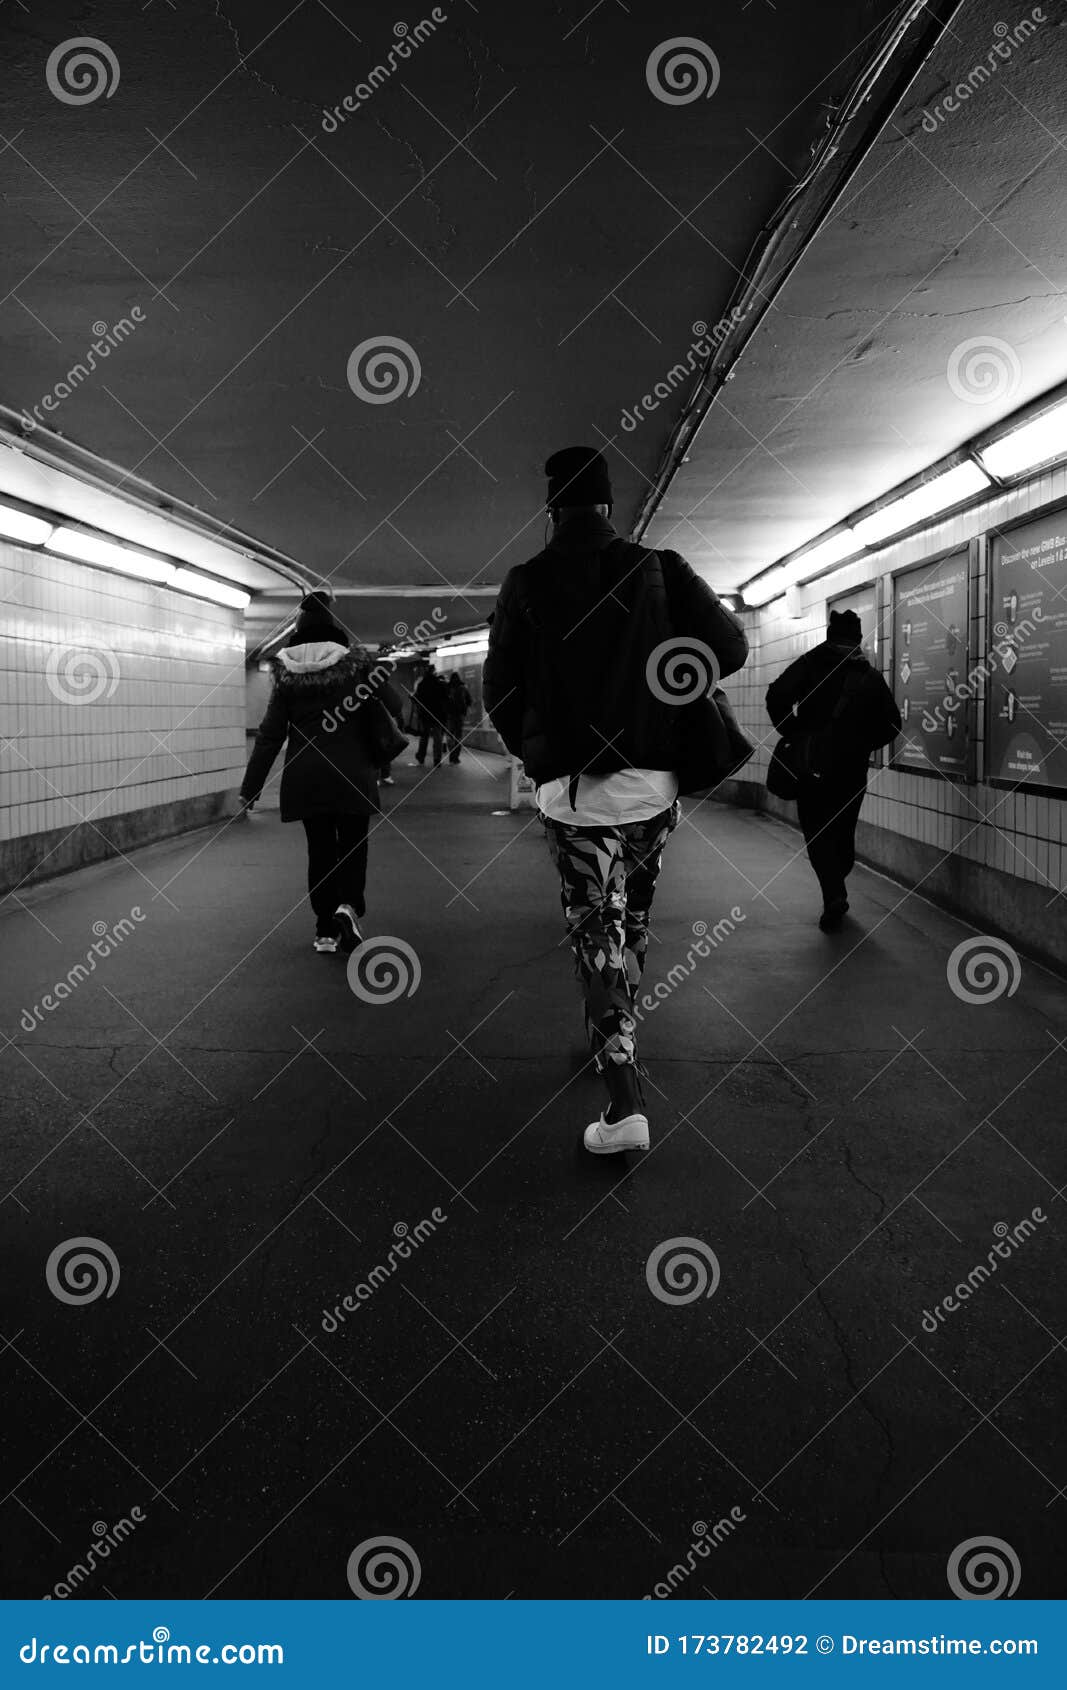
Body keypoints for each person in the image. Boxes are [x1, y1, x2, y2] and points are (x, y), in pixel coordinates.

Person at [483, 446, 748, 1156]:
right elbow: (729, 646)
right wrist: (661, 680)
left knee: (594, 925)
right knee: (631, 916)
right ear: (607, 507)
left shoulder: (525, 582)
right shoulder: (657, 566)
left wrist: (537, 751)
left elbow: (499, 692)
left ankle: (624, 1094)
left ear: (551, 511)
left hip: (574, 796)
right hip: (652, 787)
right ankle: (616, 1036)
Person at [240, 592, 378, 954]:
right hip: (353, 775)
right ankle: (348, 906)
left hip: (307, 778)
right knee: (352, 847)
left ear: (297, 636)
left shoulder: (286, 678)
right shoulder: (356, 667)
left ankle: (325, 932)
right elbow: (388, 708)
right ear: (335, 634)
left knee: (320, 852)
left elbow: (270, 735)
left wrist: (251, 786)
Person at [766, 607, 901, 932]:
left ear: (829, 635)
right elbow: (892, 724)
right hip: (852, 771)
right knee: (843, 830)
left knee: (817, 832)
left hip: (812, 766)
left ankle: (833, 893)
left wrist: (796, 732)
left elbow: (777, 695)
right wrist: (863, 745)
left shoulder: (811, 664)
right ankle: (837, 880)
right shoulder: (868, 675)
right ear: (857, 639)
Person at [413, 664, 449, 766]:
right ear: (434, 672)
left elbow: (417, 699)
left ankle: (421, 757)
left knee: (424, 736)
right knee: (438, 737)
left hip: (425, 715)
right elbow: (445, 698)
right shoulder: (440, 684)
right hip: (438, 715)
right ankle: (437, 759)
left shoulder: (422, 685)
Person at [445, 672, 473, 764]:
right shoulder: (463, 688)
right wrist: (464, 709)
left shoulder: (448, 688)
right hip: (460, 716)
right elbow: (470, 700)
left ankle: (451, 755)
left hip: (449, 716)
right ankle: (455, 757)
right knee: (458, 737)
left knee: (449, 736)